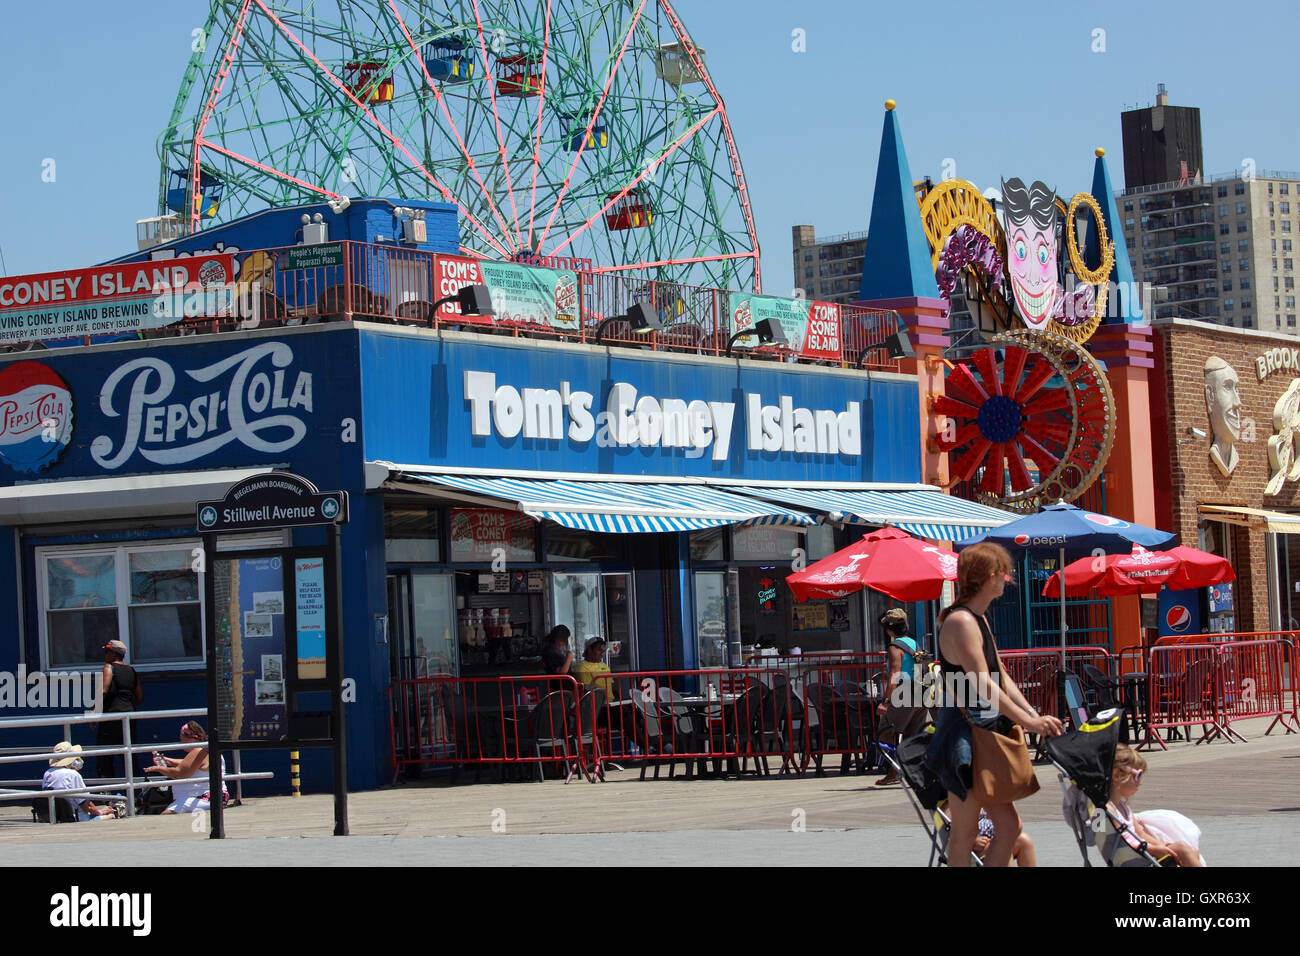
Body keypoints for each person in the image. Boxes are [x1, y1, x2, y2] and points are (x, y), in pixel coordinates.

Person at [926, 542, 1064, 867]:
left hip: (980, 734)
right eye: (1006, 572)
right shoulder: (961, 621)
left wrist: (1032, 714)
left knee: (1007, 826)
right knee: (965, 830)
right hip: (964, 739)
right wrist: (1030, 723)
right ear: (991, 576)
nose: (1009, 578)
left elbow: (1000, 675)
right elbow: (982, 682)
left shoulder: (978, 619)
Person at [1107, 744, 1204, 866]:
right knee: (1183, 850)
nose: (1139, 783)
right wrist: (1152, 849)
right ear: (1117, 775)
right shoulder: (1109, 810)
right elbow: (1119, 841)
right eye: (1138, 776)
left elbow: (1141, 834)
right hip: (1134, 856)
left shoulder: (1124, 808)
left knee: (1190, 850)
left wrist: (1161, 846)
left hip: (1141, 851)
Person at [875, 608, 929, 786]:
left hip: (904, 693)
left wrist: (886, 701)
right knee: (911, 736)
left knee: (886, 734)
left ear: (889, 630)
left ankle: (894, 773)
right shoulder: (914, 643)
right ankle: (907, 772)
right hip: (922, 692)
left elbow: (894, 675)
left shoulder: (894, 647)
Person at [143, 721, 227, 814]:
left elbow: (180, 774)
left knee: (164, 817)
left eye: (182, 739)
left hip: (202, 798)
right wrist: (167, 761)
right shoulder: (204, 750)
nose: (181, 742)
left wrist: (158, 769)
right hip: (210, 797)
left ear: (190, 738)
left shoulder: (199, 751)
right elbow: (188, 764)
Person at [97, 639, 142, 780]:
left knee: (104, 757)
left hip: (111, 717)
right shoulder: (131, 670)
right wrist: (127, 706)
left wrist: (93, 713)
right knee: (128, 755)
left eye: (106, 652)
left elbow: (103, 691)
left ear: (113, 653)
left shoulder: (109, 667)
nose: (105, 655)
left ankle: (108, 794)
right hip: (129, 716)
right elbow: (140, 696)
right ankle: (136, 792)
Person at [42, 742, 115, 821]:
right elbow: (85, 805)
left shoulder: (48, 773)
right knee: (111, 816)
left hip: (56, 817)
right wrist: (99, 812)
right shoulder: (73, 774)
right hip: (76, 817)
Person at [573, 636, 615, 702]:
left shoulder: (604, 665)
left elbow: (611, 686)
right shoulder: (582, 668)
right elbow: (587, 691)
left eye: (603, 651)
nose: (602, 654)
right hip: (597, 706)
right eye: (599, 650)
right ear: (589, 649)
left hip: (612, 703)